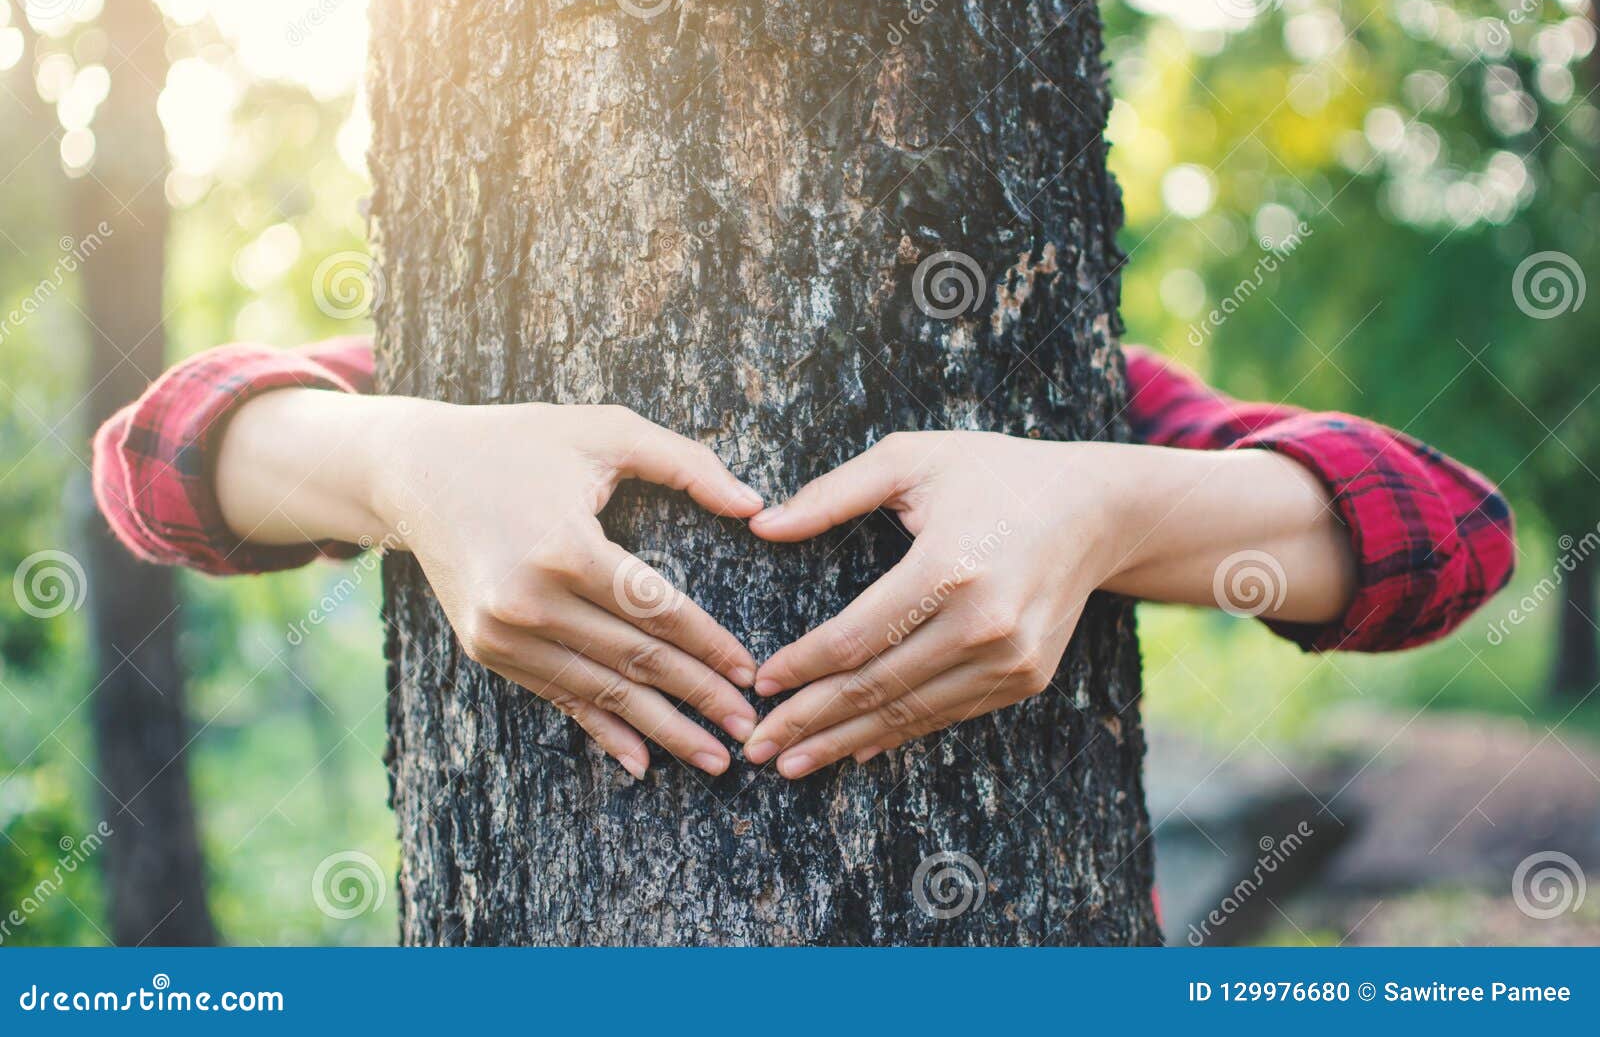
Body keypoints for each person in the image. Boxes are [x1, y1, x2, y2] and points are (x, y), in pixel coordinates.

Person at [92, 335, 1515, 782]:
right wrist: (402, 460)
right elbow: (156, 459)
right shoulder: (462, 356)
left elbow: (1451, 534)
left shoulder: (1070, 376)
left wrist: (1105, 505)